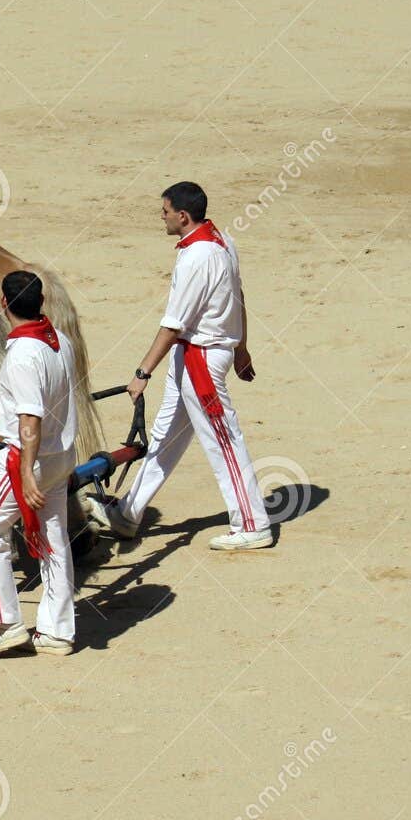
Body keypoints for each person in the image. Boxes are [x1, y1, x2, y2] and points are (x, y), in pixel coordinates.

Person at [100, 182, 271, 550]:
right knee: (165, 435)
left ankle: (253, 523)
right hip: (199, 355)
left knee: (223, 440)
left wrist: (142, 373)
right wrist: (242, 347)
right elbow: (237, 295)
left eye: (164, 211)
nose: (161, 217)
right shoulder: (223, 240)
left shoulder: (197, 257)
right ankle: (128, 512)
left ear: (182, 215)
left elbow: (173, 325)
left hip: (200, 359)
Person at [0, 271, 79, 658]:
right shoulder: (59, 339)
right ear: (41, 303)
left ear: (4, 305)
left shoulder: (21, 356)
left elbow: (30, 421)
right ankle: (58, 632)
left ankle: (4, 624)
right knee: (53, 541)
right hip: (62, 456)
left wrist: (26, 472)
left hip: (26, 460)